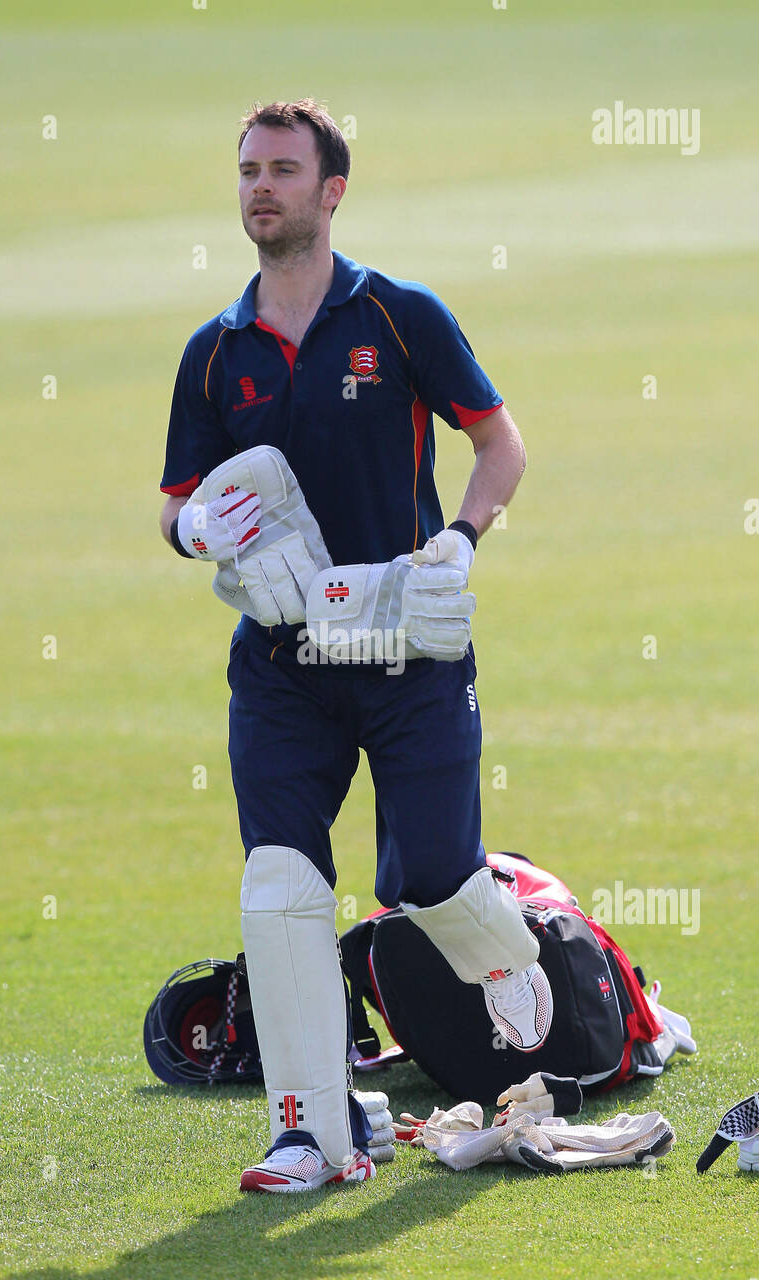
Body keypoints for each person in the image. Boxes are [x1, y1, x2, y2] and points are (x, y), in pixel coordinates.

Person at [159, 99, 553, 1193]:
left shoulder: (398, 314)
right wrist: (195, 530)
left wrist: (461, 542)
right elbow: (178, 503)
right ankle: (309, 1131)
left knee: (424, 874)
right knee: (279, 889)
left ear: (331, 191)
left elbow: (498, 443)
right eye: (246, 170)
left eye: (282, 170)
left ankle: (503, 952)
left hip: (405, 648)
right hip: (281, 670)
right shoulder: (215, 352)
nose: (259, 188)